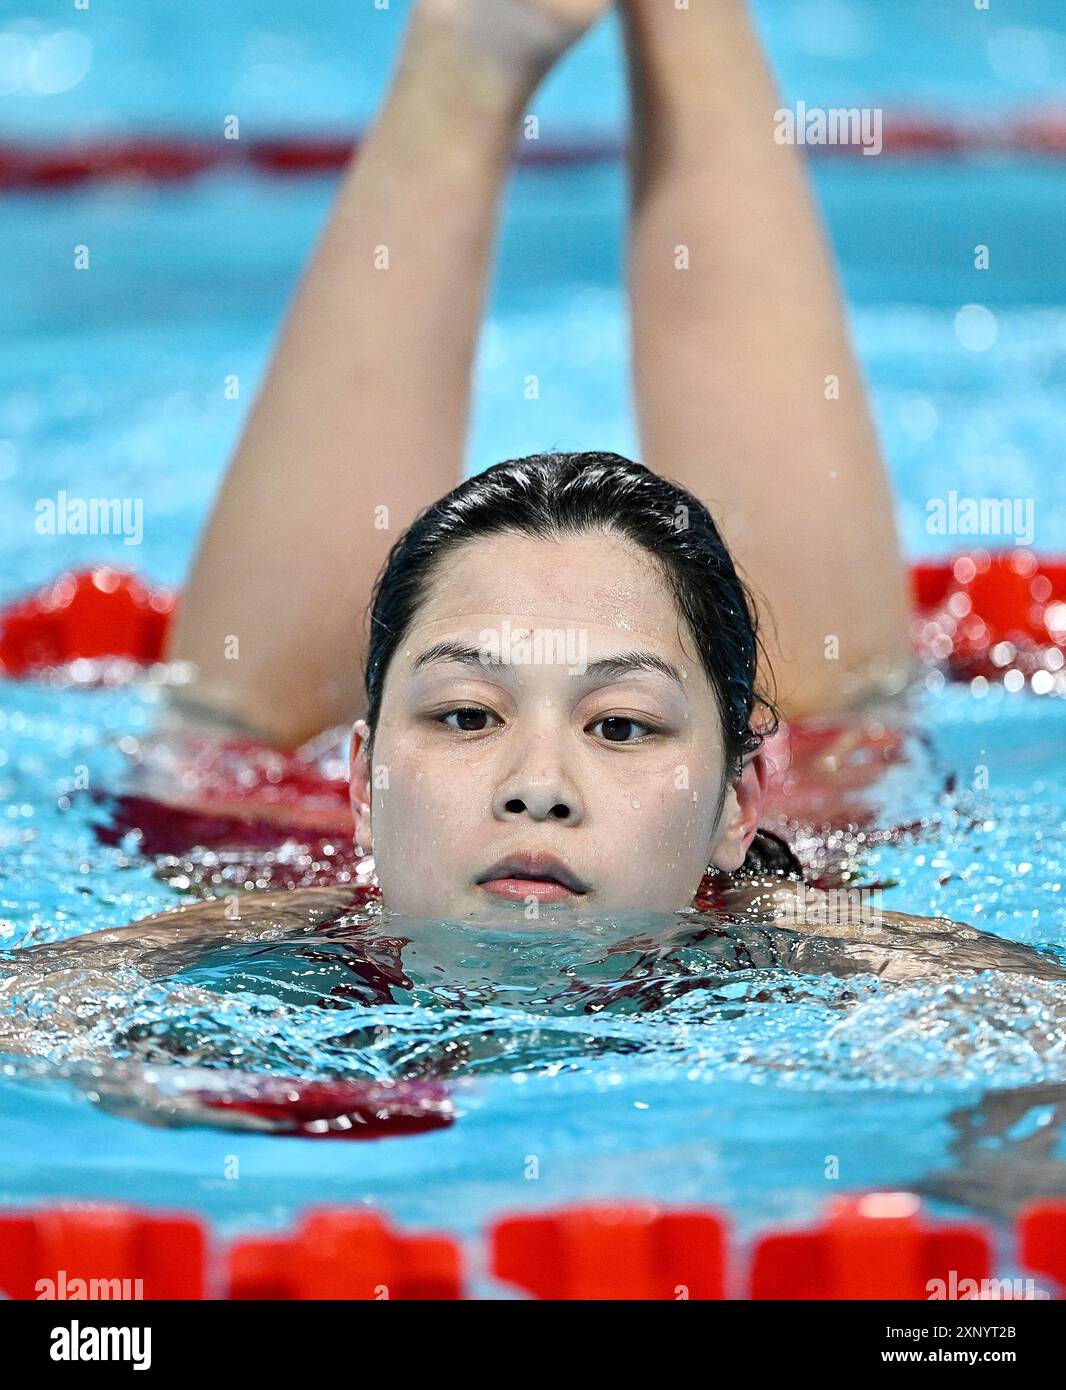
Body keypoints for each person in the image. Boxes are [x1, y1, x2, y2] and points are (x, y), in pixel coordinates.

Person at [4, 0, 1058, 985]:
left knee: (229, 743)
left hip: (735, 865)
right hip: (319, 870)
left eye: (621, 727)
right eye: (465, 714)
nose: (535, 785)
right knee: (850, 720)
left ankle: (498, 67)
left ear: (740, 802)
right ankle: (503, 50)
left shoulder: (861, 959)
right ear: (364, 782)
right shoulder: (226, 945)